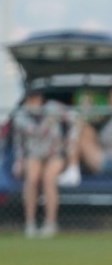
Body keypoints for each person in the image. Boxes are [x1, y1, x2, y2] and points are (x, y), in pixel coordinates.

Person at [11, 90, 71, 237]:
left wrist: (70, 144)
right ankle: (30, 223)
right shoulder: (20, 116)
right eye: (30, 99)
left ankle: (50, 223)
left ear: (41, 99)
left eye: (35, 99)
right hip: (34, 154)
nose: (33, 103)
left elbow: (74, 119)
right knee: (32, 179)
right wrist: (19, 161)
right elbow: (19, 142)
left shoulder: (54, 108)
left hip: (55, 153)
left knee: (48, 179)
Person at [72, 85, 112, 176]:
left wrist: (90, 134)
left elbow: (105, 139)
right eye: (111, 96)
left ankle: (72, 170)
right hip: (109, 157)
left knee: (83, 136)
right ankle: (73, 168)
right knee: (86, 129)